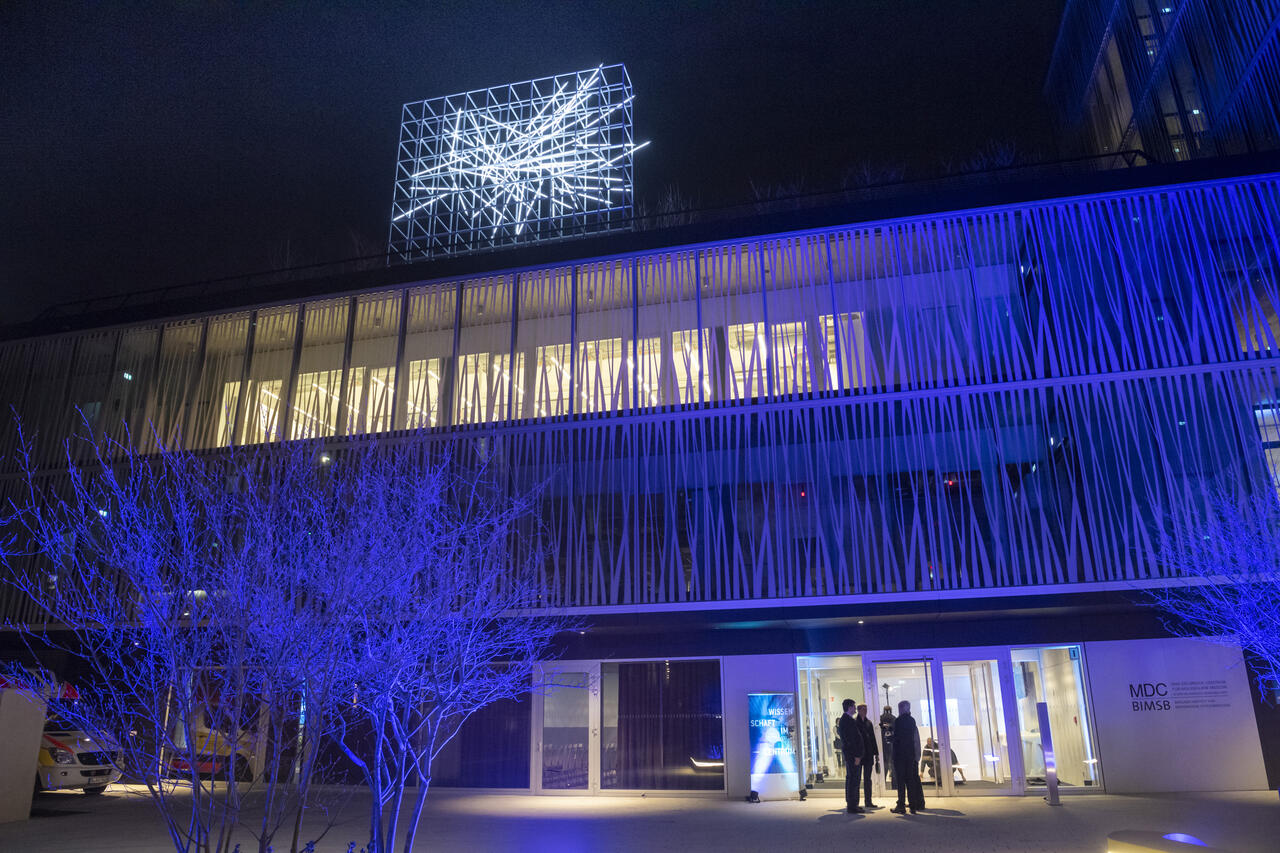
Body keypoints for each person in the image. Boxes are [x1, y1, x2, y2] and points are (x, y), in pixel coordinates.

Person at [890, 700, 925, 814]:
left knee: (900, 781)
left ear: (901, 709)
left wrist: (890, 736)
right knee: (910, 780)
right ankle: (913, 805)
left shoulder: (898, 721)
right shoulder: (912, 721)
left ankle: (901, 805)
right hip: (910, 755)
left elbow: (897, 738)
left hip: (900, 755)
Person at [837, 698, 865, 813]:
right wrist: (857, 755)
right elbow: (851, 740)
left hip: (851, 754)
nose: (855, 709)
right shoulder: (847, 721)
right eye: (854, 707)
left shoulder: (846, 720)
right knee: (854, 779)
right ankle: (852, 805)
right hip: (852, 755)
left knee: (852, 778)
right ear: (849, 708)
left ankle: (852, 804)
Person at [854, 703, 879, 808]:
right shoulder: (855, 723)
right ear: (859, 710)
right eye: (863, 709)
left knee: (868, 779)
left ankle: (868, 801)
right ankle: (855, 803)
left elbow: (873, 738)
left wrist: (876, 753)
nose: (865, 711)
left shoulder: (869, 723)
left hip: (868, 753)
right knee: (857, 779)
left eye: (866, 709)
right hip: (859, 754)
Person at [879, 705, 896, 788]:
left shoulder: (880, 718)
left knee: (884, 765)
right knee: (893, 765)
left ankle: (883, 785)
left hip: (882, 745)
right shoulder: (894, 718)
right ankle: (895, 786)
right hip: (892, 745)